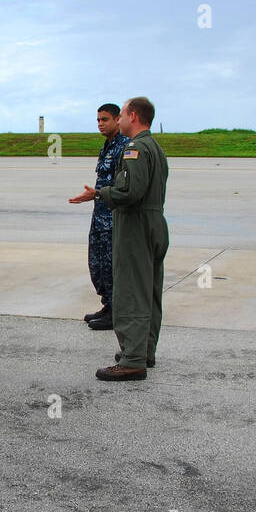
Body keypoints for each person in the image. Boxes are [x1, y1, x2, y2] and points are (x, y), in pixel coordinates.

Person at [71, 97, 168, 381]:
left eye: (123, 114)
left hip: (136, 226)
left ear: (133, 116)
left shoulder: (135, 148)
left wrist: (99, 193)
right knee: (150, 290)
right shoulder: (155, 147)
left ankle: (133, 360)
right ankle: (144, 350)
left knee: (131, 292)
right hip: (154, 223)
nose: (121, 119)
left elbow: (129, 192)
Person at [76, 104, 131, 330]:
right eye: (98, 120)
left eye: (105, 119)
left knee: (111, 266)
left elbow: (123, 185)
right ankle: (107, 305)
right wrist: (92, 196)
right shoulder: (107, 146)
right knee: (97, 264)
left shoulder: (124, 147)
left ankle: (116, 312)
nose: (100, 124)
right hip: (100, 214)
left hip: (113, 218)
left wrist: (98, 194)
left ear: (118, 119)